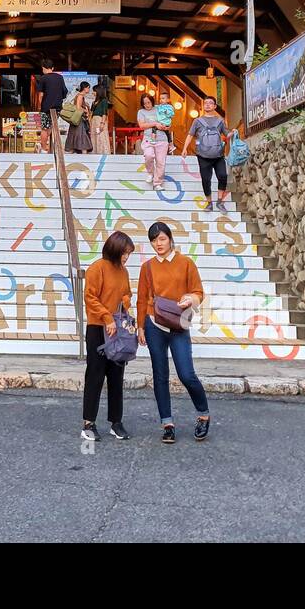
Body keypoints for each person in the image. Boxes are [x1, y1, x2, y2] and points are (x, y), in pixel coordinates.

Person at [135, 221, 210, 443]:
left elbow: (198, 291)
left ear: (169, 239)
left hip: (178, 325)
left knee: (186, 374)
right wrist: (140, 326)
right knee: (160, 375)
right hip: (153, 325)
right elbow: (141, 298)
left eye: (161, 239)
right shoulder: (147, 267)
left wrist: (192, 298)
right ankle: (167, 423)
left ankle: (203, 415)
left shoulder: (186, 263)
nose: (157, 244)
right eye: (153, 240)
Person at [81, 230, 135, 442]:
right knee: (95, 375)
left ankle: (116, 422)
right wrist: (107, 318)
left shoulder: (123, 271)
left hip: (118, 330)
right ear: (114, 249)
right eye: (124, 253)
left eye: (128, 254)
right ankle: (88, 423)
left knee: (116, 376)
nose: (126, 257)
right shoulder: (97, 268)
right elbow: (90, 298)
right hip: (98, 328)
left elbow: (127, 293)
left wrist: (126, 301)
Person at [183, 96, 230, 213]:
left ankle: (219, 201)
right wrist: (185, 148)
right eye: (206, 103)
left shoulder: (220, 121)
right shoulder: (197, 121)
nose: (208, 105)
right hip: (202, 155)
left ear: (215, 106)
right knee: (206, 179)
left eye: (211, 103)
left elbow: (226, 134)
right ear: (203, 106)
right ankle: (209, 203)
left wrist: (233, 133)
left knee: (223, 176)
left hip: (218, 155)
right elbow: (190, 135)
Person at [136, 90, 175, 189]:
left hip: (162, 138)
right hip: (149, 138)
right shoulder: (141, 112)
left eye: (148, 102)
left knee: (161, 161)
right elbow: (142, 125)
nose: (147, 105)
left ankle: (157, 183)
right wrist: (155, 124)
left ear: (152, 101)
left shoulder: (158, 108)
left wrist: (167, 126)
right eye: (144, 103)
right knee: (148, 155)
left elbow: (168, 119)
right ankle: (150, 173)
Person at [35, 59, 68, 152]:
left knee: (44, 128)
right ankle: (49, 147)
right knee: (51, 127)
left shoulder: (43, 78)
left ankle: (43, 148)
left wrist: (40, 106)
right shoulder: (60, 78)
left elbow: (41, 95)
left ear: (43, 68)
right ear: (52, 68)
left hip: (46, 108)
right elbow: (64, 92)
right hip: (57, 107)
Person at [64, 81, 93, 154]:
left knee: (74, 135)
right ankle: (83, 153)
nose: (89, 90)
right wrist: (85, 110)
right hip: (79, 119)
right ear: (85, 88)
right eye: (88, 88)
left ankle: (74, 152)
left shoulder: (79, 96)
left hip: (76, 119)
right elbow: (78, 107)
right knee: (81, 135)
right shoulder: (80, 96)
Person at [91, 76, 111, 155]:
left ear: (98, 91)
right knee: (94, 137)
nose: (93, 93)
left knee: (101, 137)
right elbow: (91, 113)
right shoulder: (94, 102)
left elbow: (104, 113)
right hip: (94, 121)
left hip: (100, 121)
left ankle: (103, 153)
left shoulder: (104, 101)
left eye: (94, 91)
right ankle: (95, 153)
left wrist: (102, 123)